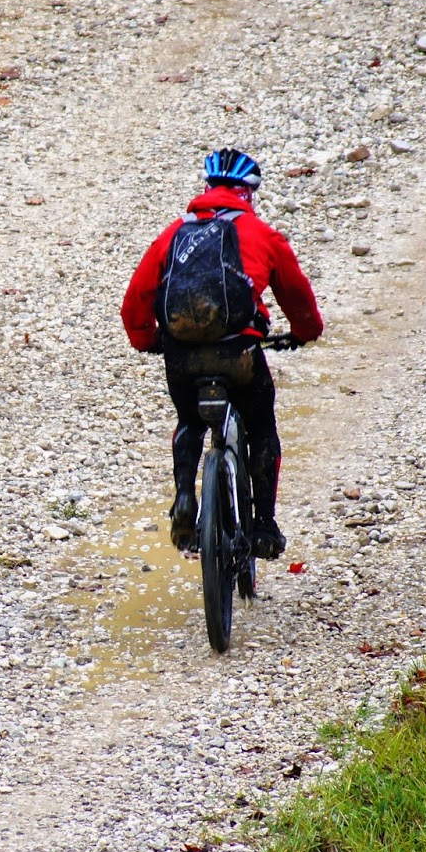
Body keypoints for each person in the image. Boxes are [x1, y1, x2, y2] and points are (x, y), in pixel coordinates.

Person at [121, 148, 324, 559]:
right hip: (239, 352)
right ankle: (264, 526)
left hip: (183, 355)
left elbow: (135, 300)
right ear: (250, 193)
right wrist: (305, 333)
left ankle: (183, 497)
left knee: (189, 422)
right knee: (261, 426)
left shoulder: (174, 234)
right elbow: (297, 296)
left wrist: (146, 340)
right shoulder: (263, 235)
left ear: (207, 188)